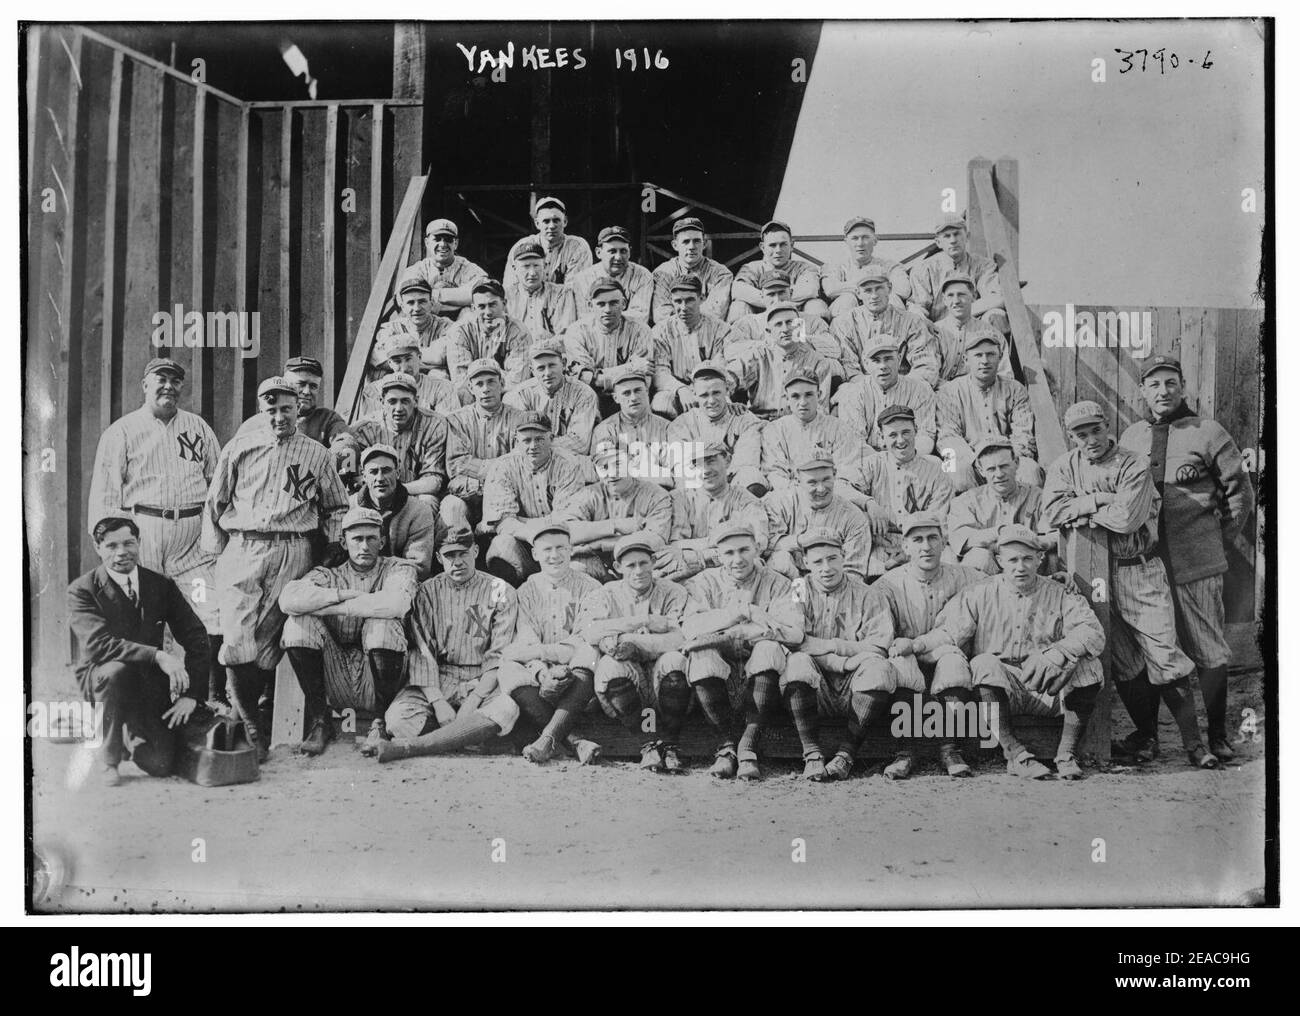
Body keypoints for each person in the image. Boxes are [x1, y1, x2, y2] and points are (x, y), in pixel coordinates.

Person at [1043, 400, 1218, 770]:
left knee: (1164, 655)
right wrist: (1099, 499)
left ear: (1107, 426)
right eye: (1080, 433)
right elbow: (1052, 512)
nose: (1090, 439)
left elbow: (1125, 519)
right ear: (1071, 436)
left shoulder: (1132, 463)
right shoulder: (1064, 465)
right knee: (1122, 661)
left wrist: (1082, 507)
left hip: (1137, 568)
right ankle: (1147, 737)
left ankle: (1195, 745)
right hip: (1091, 575)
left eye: (1095, 430)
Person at [202, 376, 349, 761]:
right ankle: (251, 725)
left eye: (286, 408)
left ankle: (255, 721)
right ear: (261, 409)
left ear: (298, 408)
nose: (279, 416)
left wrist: (333, 545)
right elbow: (215, 502)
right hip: (244, 546)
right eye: (271, 409)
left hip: (292, 549)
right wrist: (217, 553)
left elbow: (337, 506)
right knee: (236, 637)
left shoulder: (316, 453)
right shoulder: (240, 447)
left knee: (267, 643)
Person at [1119, 356, 1255, 761]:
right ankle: (1149, 736)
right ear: (1143, 391)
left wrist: (1216, 539)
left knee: (1209, 651)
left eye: (1171, 383)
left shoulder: (1207, 432)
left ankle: (1216, 737)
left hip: (1196, 564)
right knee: (1158, 650)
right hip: (1147, 568)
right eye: (1155, 384)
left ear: (1183, 387)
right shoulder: (1132, 437)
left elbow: (1239, 493)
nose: (1163, 391)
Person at [87, 357, 223, 700]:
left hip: (191, 544)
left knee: (209, 614)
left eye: (175, 381)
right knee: (141, 622)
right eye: (160, 379)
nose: (168, 386)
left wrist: (217, 538)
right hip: (143, 535)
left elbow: (219, 486)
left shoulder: (198, 427)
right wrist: (114, 550)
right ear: (145, 385)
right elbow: (106, 496)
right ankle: (143, 701)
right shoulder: (122, 431)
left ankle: (205, 699)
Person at [925, 524, 1105, 780]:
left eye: (1027, 559)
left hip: (1048, 687)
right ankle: (1015, 754)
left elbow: (1094, 632)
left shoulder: (1060, 592)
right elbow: (949, 633)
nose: (1020, 567)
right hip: (1001, 691)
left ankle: (1067, 754)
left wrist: (1058, 652)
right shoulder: (981, 591)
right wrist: (915, 646)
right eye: (1012, 560)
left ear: (1040, 559)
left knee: (1089, 665)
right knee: (984, 663)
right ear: (999, 561)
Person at [68, 516, 211, 786]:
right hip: (103, 677)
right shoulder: (82, 590)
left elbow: (196, 637)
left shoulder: (160, 585)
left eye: (128, 543)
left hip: (147, 680)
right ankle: (108, 759)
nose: (121, 552)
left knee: (160, 764)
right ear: (98, 548)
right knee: (115, 672)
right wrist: (159, 655)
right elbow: (100, 645)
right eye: (111, 546)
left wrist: (192, 695)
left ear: (139, 543)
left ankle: (128, 731)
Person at [279, 506, 419, 756]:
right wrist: (343, 595)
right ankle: (321, 721)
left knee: (382, 625)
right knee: (296, 625)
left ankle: (380, 724)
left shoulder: (398, 568)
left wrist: (332, 608)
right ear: (344, 542)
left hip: (379, 677)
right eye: (357, 539)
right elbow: (288, 599)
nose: (364, 546)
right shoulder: (329, 575)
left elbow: (396, 603)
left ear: (382, 541)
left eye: (371, 538)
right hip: (336, 673)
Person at [376, 528, 522, 763]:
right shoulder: (426, 591)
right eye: (449, 556)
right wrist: (438, 703)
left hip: (482, 678)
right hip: (439, 677)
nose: (457, 562)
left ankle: (422, 745)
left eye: (463, 553)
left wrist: (474, 700)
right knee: (397, 720)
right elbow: (422, 652)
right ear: (438, 558)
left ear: (475, 551)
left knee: (506, 710)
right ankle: (467, 737)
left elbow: (499, 655)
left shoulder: (501, 590)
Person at [680, 519, 806, 781]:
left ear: (757, 549)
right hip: (721, 674)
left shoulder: (783, 582)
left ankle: (747, 747)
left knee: (770, 648)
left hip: (762, 675)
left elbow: (795, 632)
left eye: (744, 550)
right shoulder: (700, 582)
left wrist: (736, 632)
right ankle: (726, 747)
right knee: (702, 656)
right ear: (718, 555)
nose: (737, 559)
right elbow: (690, 628)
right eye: (729, 553)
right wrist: (743, 612)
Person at [868, 512, 985, 780]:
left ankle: (950, 748)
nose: (926, 546)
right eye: (917, 539)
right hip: (907, 661)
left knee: (953, 661)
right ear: (905, 546)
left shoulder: (967, 576)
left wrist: (1057, 579)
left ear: (943, 542)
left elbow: (1005, 584)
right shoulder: (888, 583)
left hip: (945, 656)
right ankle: (905, 751)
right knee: (900, 663)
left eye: (933, 537)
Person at [783, 527, 895, 781]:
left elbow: (878, 646)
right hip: (815, 684)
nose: (826, 568)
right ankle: (812, 754)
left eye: (832, 558)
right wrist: (841, 661)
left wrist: (832, 646)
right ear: (805, 563)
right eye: (818, 561)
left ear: (844, 556)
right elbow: (795, 641)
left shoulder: (867, 593)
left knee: (878, 668)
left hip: (853, 686)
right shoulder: (798, 587)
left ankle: (846, 754)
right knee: (797, 662)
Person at [495, 522, 606, 764]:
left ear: (571, 550)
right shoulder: (526, 590)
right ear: (535, 554)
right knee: (508, 669)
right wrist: (542, 674)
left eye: (560, 548)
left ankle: (548, 739)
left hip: (579, 680)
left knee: (589, 653)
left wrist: (553, 663)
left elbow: (585, 637)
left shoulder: (591, 587)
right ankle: (574, 740)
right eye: (547, 550)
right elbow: (525, 640)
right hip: (542, 680)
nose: (554, 556)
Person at [583, 532, 693, 772]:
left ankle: (671, 744)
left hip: (661, 672)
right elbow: (591, 632)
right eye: (630, 565)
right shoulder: (606, 593)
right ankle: (648, 744)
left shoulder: (673, 591)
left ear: (653, 562)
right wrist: (642, 621)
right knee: (611, 667)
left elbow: (679, 638)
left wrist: (631, 642)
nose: (639, 570)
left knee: (676, 660)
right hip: (629, 676)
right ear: (617, 567)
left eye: (644, 563)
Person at [481, 414, 589, 584]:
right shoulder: (502, 466)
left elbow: (564, 521)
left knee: (580, 566)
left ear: (551, 438)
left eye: (539, 439)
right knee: (502, 546)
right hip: (523, 541)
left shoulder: (568, 464)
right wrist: (532, 534)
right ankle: (514, 596)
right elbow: (503, 522)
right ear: (516, 441)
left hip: (560, 542)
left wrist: (520, 520)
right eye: (527, 440)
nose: (533, 446)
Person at [935, 329, 1042, 493]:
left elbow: (1024, 435)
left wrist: (1003, 460)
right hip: (969, 459)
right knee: (953, 471)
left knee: (1030, 471)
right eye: (978, 355)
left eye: (991, 354)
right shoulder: (949, 391)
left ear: (999, 358)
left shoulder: (1015, 389)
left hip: (1006, 457)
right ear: (966, 359)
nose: (985, 361)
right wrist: (976, 461)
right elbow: (947, 437)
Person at [857, 405, 954, 576]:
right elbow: (841, 487)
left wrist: (909, 552)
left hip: (922, 545)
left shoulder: (935, 471)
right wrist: (869, 503)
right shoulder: (872, 463)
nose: (901, 440)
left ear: (916, 431)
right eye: (893, 435)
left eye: (906, 432)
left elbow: (939, 523)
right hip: (879, 545)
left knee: (947, 565)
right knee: (872, 574)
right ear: (881, 437)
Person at [554, 443, 673, 580]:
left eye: (617, 464)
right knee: (575, 569)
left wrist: (597, 544)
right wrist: (615, 525)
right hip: (599, 563)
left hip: (638, 564)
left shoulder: (655, 495)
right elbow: (566, 531)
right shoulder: (589, 494)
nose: (611, 473)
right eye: (604, 467)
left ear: (632, 462)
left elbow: (656, 540)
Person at [656, 442, 771, 583]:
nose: (706, 470)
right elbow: (674, 545)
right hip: (691, 575)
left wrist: (704, 554)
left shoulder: (745, 499)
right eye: (698, 464)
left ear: (727, 461)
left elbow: (759, 543)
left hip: (734, 575)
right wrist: (714, 543)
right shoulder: (681, 498)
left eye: (711, 461)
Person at [442, 359, 529, 532]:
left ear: (502, 383)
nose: (485, 389)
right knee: (452, 506)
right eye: (479, 384)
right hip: (469, 495)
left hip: (508, 495)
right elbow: (457, 465)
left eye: (491, 381)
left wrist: (483, 473)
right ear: (470, 388)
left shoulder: (519, 418)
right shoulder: (457, 420)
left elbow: (521, 463)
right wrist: (498, 472)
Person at [945, 438, 1052, 574]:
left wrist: (1025, 542)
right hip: (990, 568)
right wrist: (1000, 532)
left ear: (1017, 463)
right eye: (991, 469)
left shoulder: (1037, 496)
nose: (999, 474)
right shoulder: (967, 501)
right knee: (978, 556)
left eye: (1004, 466)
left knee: (1051, 556)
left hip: (1028, 567)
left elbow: (1054, 535)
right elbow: (960, 539)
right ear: (981, 470)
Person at [760, 371, 866, 503]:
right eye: (795, 396)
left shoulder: (838, 428)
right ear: (786, 398)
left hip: (831, 498)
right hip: (790, 500)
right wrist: (803, 495)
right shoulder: (775, 430)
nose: (803, 402)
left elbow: (847, 472)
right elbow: (774, 474)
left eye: (809, 395)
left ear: (819, 395)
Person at [665, 360, 766, 495]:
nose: (711, 401)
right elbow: (682, 467)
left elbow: (746, 462)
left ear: (727, 390)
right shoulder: (680, 425)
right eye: (704, 395)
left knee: (752, 476)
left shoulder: (744, 419)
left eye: (716, 393)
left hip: (733, 486)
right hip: (700, 486)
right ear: (694, 394)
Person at [351, 372, 449, 508]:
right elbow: (355, 475)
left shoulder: (434, 425)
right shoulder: (363, 429)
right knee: (354, 502)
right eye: (392, 401)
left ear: (416, 401)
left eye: (405, 401)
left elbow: (434, 481)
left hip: (414, 493)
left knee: (427, 501)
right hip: (375, 492)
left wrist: (396, 491)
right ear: (382, 402)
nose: (398, 408)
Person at [763, 458, 871, 581]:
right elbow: (765, 546)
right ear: (798, 480)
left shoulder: (853, 517)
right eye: (812, 482)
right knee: (780, 560)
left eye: (826, 480)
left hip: (832, 583)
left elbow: (853, 573)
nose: (821, 489)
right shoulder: (781, 502)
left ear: (834, 475)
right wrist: (800, 541)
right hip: (792, 582)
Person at [831, 266, 939, 387]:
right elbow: (849, 369)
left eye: (879, 288)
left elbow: (926, 366)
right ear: (858, 293)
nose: (874, 296)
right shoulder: (843, 323)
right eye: (867, 290)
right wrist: (874, 392)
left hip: (904, 387)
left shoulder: (911, 321)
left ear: (889, 288)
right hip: (861, 389)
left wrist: (902, 390)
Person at [561, 277, 654, 417]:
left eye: (614, 303)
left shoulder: (640, 330)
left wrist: (599, 376)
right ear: (590, 306)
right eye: (601, 304)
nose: (607, 310)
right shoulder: (577, 331)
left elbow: (641, 379)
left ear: (624, 303)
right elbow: (584, 378)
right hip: (591, 397)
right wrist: (631, 367)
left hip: (628, 395)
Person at [728, 302, 838, 419]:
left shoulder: (818, 362)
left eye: (790, 323)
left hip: (798, 425)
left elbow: (819, 409)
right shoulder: (758, 355)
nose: (785, 329)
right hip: (759, 422)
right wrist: (729, 403)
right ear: (769, 332)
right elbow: (726, 379)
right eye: (778, 324)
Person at [348, 444, 439, 580]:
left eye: (386, 471)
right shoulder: (349, 507)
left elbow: (418, 567)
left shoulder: (419, 511)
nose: (380, 478)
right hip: (357, 580)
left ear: (397, 473)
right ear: (364, 476)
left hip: (399, 582)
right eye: (373, 472)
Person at [649, 275, 733, 417]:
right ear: (671, 301)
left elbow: (720, 368)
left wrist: (699, 390)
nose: (683, 307)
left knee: (726, 405)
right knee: (661, 403)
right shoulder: (661, 330)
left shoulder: (720, 329)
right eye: (678, 301)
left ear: (702, 298)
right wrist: (681, 389)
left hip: (709, 386)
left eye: (689, 300)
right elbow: (660, 371)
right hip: (675, 387)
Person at [835, 339, 938, 455]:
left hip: (909, 457)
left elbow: (925, 436)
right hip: (868, 460)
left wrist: (904, 459)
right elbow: (854, 443)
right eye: (876, 360)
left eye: (888, 359)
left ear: (899, 359)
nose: (883, 366)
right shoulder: (853, 393)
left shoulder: (920, 390)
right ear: (866, 363)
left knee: (934, 463)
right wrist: (883, 464)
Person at [908, 215, 1007, 335]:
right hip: (938, 332)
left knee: (996, 315)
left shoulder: (983, 265)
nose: (953, 240)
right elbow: (918, 307)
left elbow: (996, 297)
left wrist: (957, 317)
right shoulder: (924, 269)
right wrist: (936, 326)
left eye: (957, 234)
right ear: (938, 242)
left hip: (974, 329)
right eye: (947, 236)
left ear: (967, 237)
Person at [504, 337, 601, 458]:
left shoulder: (583, 393)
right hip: (529, 463)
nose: (547, 373)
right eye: (541, 368)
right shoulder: (521, 394)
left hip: (569, 461)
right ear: (532, 370)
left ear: (564, 363)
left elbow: (580, 444)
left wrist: (536, 446)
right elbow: (516, 441)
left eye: (552, 365)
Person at [589, 363, 675, 489]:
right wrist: (656, 473)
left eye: (638, 390)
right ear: (616, 398)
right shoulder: (605, 430)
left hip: (661, 495)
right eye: (626, 393)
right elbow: (609, 473)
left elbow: (676, 475)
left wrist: (630, 469)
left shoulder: (667, 428)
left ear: (647, 392)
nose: (633, 397)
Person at [728, 220, 828, 321]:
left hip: (794, 320)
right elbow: (739, 290)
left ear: (792, 245)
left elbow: (810, 290)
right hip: (761, 320)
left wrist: (770, 297)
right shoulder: (752, 268)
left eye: (783, 244)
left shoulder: (804, 268)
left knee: (816, 305)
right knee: (738, 307)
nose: (778, 250)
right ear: (762, 247)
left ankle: (811, 337)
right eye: (772, 245)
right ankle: (742, 337)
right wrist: (776, 300)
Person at [447, 279, 534, 392]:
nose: (488, 312)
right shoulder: (460, 331)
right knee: (461, 393)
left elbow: (517, 382)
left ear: (504, 304)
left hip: (505, 396)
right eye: (482, 307)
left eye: (492, 304)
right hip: (473, 394)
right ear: (473, 308)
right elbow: (461, 380)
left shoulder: (519, 333)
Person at [398, 217, 489, 321]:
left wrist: (436, 295)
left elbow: (484, 294)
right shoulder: (418, 269)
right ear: (427, 242)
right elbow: (406, 300)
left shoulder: (468, 268)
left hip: (459, 328)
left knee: (469, 313)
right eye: (437, 239)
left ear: (456, 243)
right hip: (427, 326)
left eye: (448, 239)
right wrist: (460, 300)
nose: (442, 244)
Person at [355, 335, 462, 421]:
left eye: (408, 359)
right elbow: (372, 427)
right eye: (397, 361)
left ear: (419, 357)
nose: (404, 367)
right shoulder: (374, 391)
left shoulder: (442, 387)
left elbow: (447, 426)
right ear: (389, 363)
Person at [822, 215, 911, 318]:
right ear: (846, 241)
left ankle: (892, 334)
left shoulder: (888, 265)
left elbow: (903, 290)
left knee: (892, 299)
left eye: (865, 237)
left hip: (882, 316)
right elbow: (830, 290)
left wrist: (868, 293)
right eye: (855, 238)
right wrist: (868, 283)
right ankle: (842, 334)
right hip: (848, 318)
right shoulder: (836, 265)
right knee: (847, 299)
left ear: (875, 240)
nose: (860, 244)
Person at [650, 216, 734, 321]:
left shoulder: (721, 273)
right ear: (675, 245)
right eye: (686, 241)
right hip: (672, 335)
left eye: (697, 241)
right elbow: (661, 316)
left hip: (707, 334)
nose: (691, 246)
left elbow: (715, 315)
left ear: (704, 244)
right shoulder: (662, 273)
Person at [566, 226, 654, 323]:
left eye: (623, 251)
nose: (618, 257)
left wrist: (605, 317)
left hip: (630, 334)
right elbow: (584, 319)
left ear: (629, 253)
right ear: (598, 252)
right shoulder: (583, 279)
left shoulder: (642, 275)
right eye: (612, 251)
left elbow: (639, 317)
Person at [504, 196, 593, 287]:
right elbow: (510, 288)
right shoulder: (522, 247)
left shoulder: (577, 246)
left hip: (566, 300)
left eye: (556, 220)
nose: (551, 226)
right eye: (546, 221)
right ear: (537, 223)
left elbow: (575, 290)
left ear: (565, 221)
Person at [505, 241, 580, 341]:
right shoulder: (505, 297)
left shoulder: (560, 294)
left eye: (536, 266)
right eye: (526, 266)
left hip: (549, 353)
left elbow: (564, 335)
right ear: (515, 269)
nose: (532, 273)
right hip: (515, 353)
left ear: (545, 267)